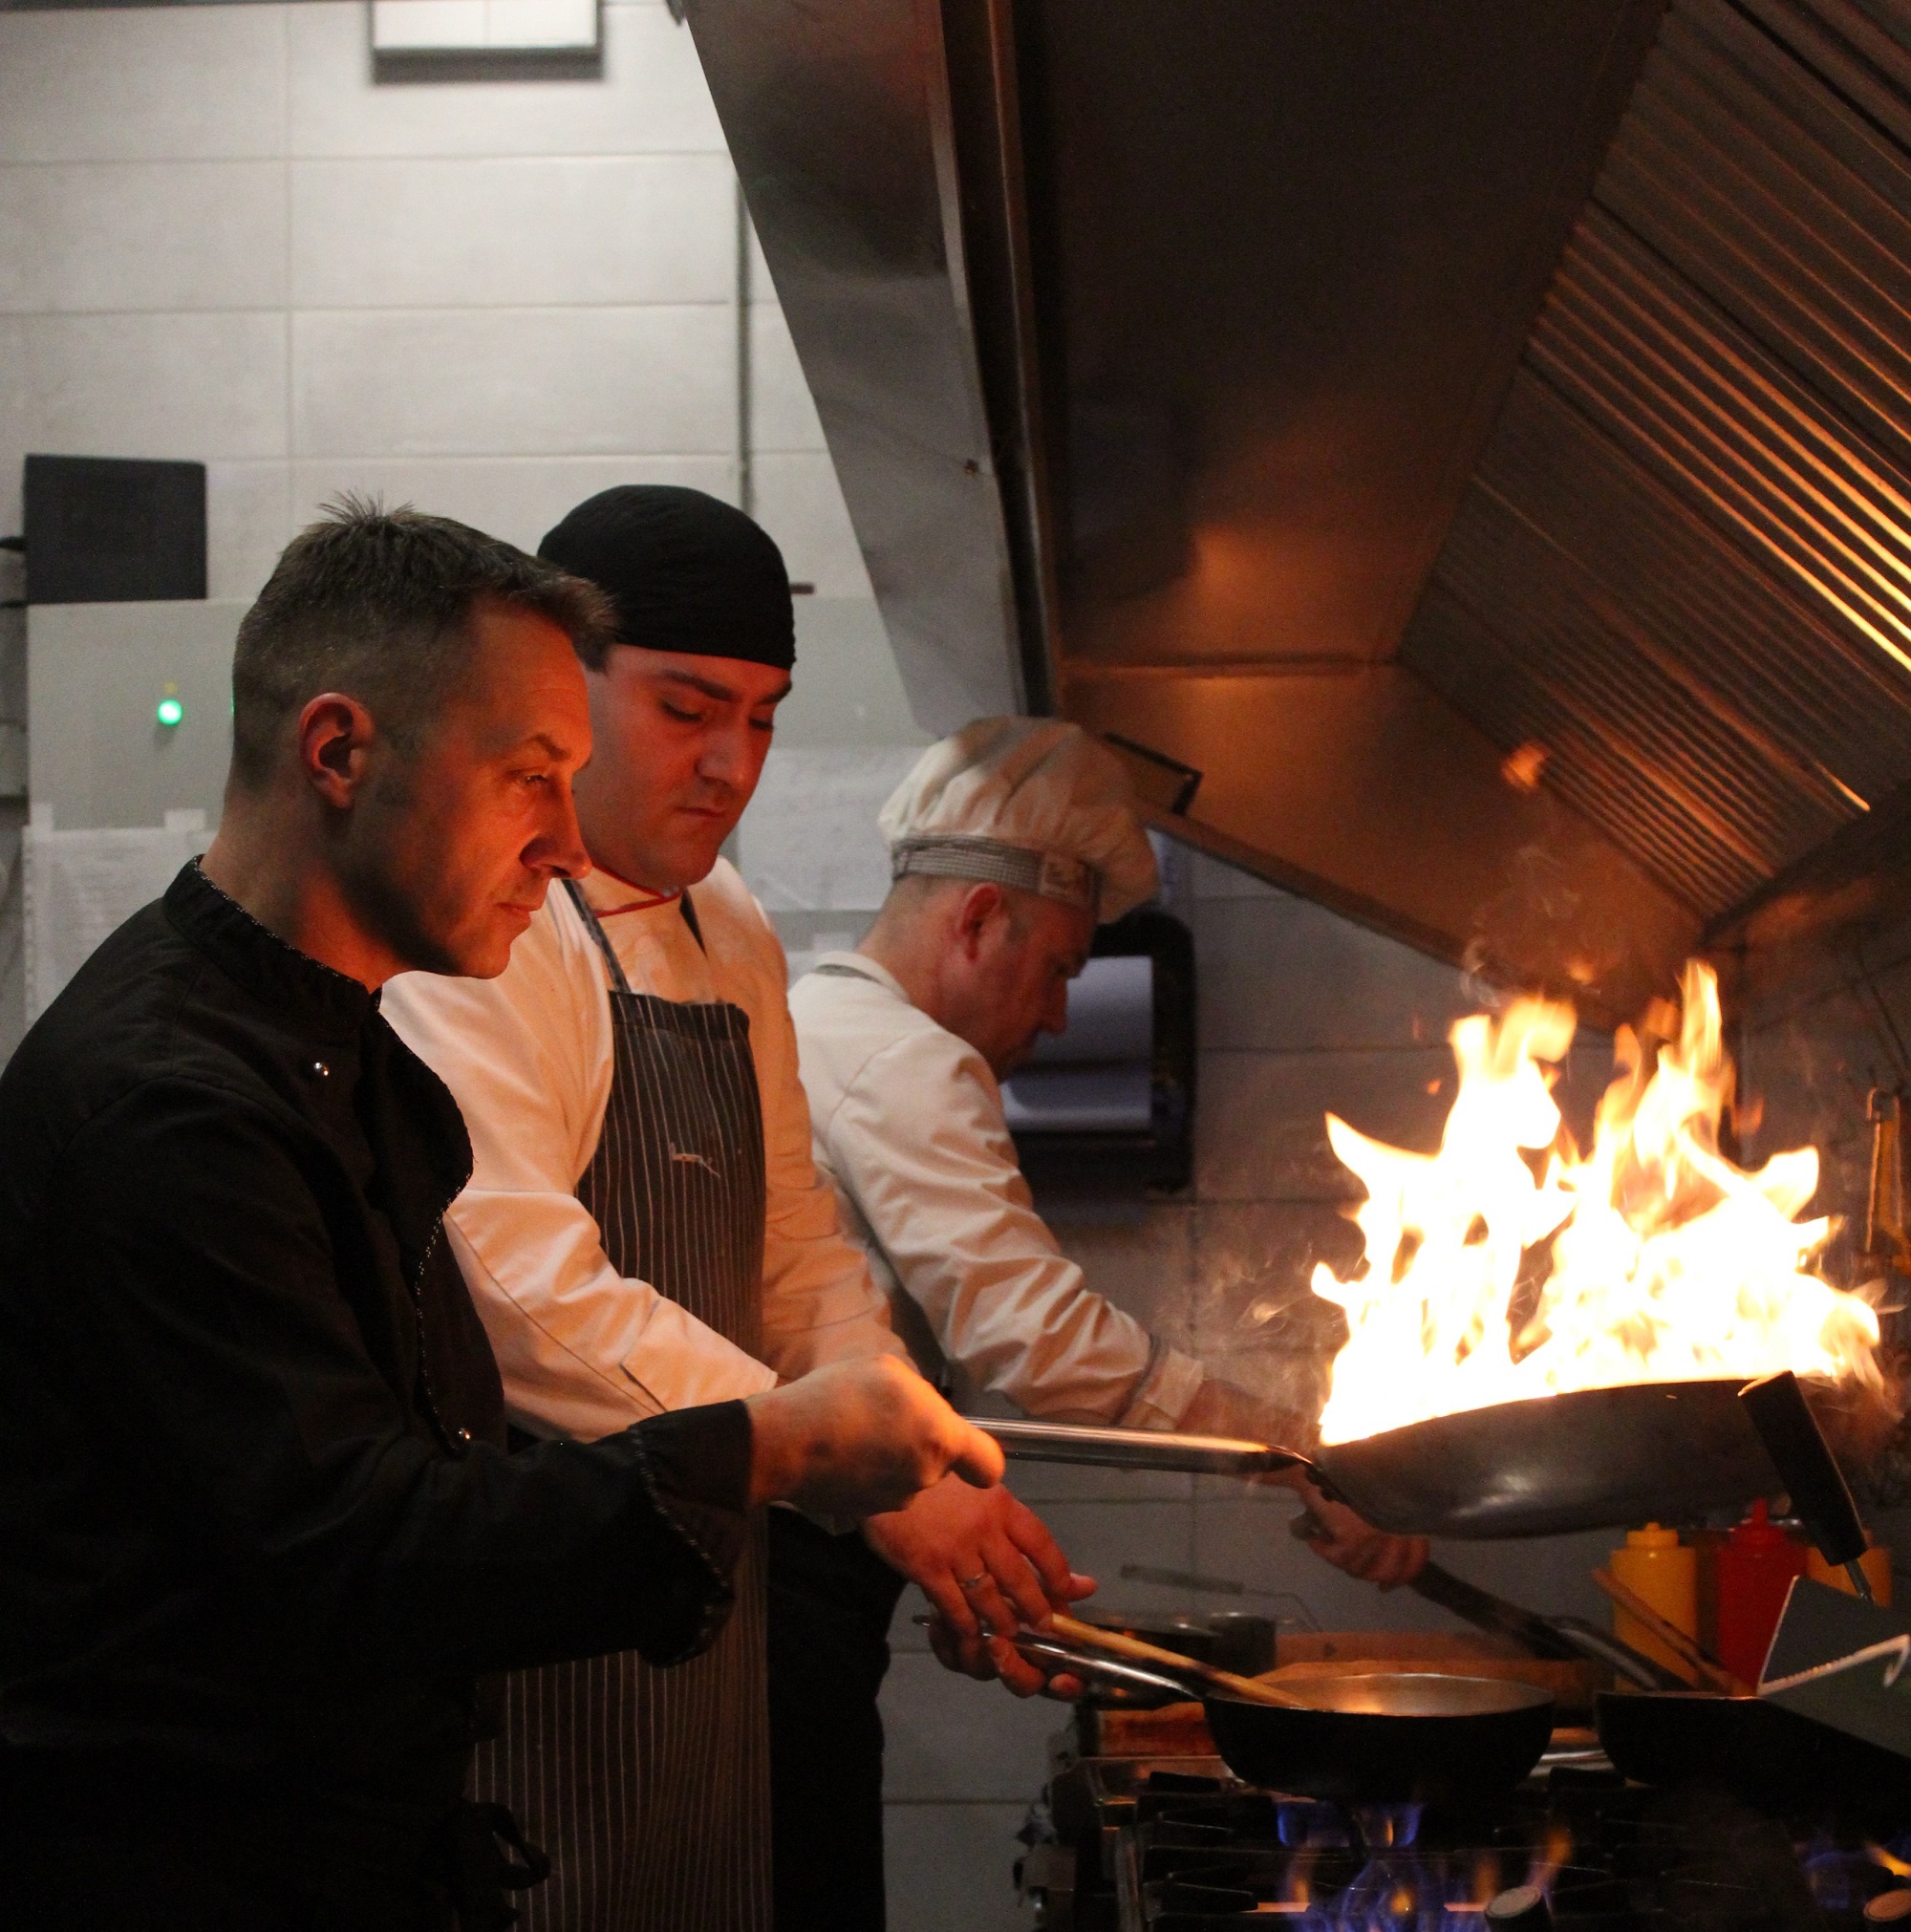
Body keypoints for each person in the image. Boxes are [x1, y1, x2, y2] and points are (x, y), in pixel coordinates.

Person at [0, 501, 999, 1932]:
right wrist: (766, 1440)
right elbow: (362, 1547)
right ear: (339, 752)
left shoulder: (344, 1044)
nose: (565, 844)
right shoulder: (169, 1104)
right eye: (531, 777)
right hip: (202, 1864)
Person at [381, 486, 1084, 1932]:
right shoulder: (495, 927)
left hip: (709, 1578)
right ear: (559, 687)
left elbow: (791, 1242)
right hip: (551, 1586)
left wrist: (895, 1430)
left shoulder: (732, 923)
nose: (731, 764)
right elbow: (515, 1287)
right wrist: (823, 1448)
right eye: (686, 708)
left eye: (761, 718)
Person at [787, 718, 1432, 1605]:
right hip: (800, 1550)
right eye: (1058, 969)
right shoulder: (900, 1057)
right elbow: (1039, 1338)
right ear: (978, 919)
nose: (1058, 1017)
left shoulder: (819, 1020)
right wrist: (1302, 1455)